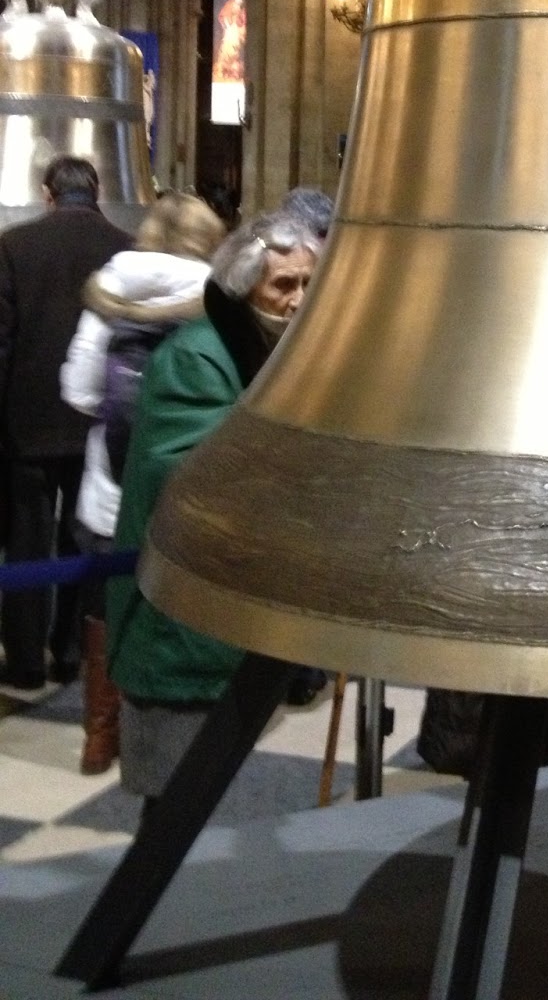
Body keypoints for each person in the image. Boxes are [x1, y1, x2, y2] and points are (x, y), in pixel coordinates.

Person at [106, 210, 318, 815]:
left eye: (307, 283)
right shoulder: (198, 355)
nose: (297, 300)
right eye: (282, 285)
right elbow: (193, 471)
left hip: (228, 614)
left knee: (214, 804)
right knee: (175, 804)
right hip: (178, 614)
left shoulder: (267, 351)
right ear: (241, 285)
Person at [60, 192, 227, 773]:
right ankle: (178, 744)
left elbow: (80, 389)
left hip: (110, 488)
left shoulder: (110, 293)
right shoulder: (220, 299)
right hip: (190, 495)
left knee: (106, 608)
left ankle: (100, 735)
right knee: (178, 604)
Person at [0, 156, 131, 690]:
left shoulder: (14, 246)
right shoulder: (125, 248)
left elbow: (1, 342)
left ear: (48, 195)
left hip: (26, 423)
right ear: (97, 192)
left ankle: (27, 662)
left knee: (26, 542)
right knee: (83, 539)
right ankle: (74, 651)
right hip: (95, 419)